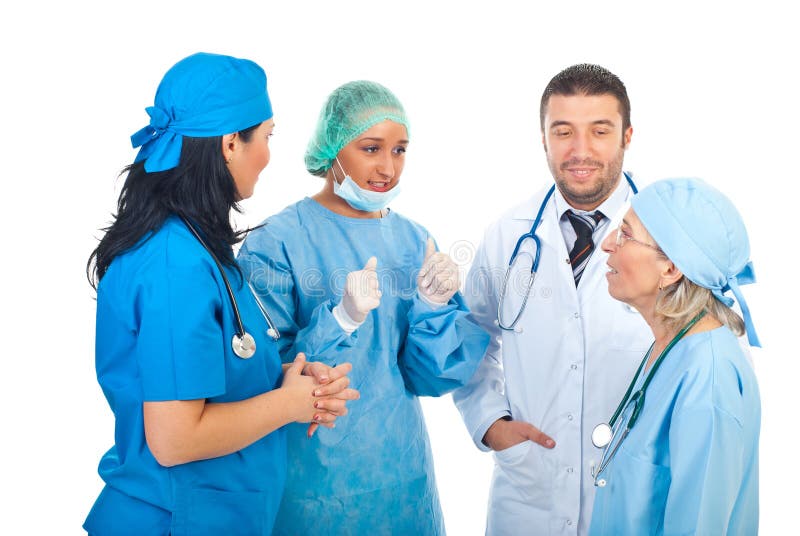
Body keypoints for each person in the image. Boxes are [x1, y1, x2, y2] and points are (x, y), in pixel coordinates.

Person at [83, 52, 358, 536]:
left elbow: (204, 373)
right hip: (174, 520)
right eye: (268, 136)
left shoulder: (191, 247)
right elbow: (174, 438)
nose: (268, 155)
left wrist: (288, 382)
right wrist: (288, 406)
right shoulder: (175, 264)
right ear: (231, 143)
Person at [237, 80, 490, 535]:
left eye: (399, 150)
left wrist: (433, 308)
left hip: (404, 480)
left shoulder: (414, 240)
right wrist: (341, 319)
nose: (387, 167)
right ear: (332, 147)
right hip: (313, 483)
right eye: (371, 148)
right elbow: (261, 376)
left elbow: (427, 379)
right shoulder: (276, 241)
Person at [453, 63, 654, 534]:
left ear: (627, 136)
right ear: (543, 139)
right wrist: (491, 424)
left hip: (633, 492)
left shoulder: (665, 238)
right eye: (563, 132)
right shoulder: (508, 235)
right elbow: (470, 343)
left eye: (599, 131)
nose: (580, 150)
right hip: (530, 495)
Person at [589, 177, 760, 534]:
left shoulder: (708, 376)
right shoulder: (671, 345)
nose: (606, 244)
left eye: (625, 234)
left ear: (670, 268)